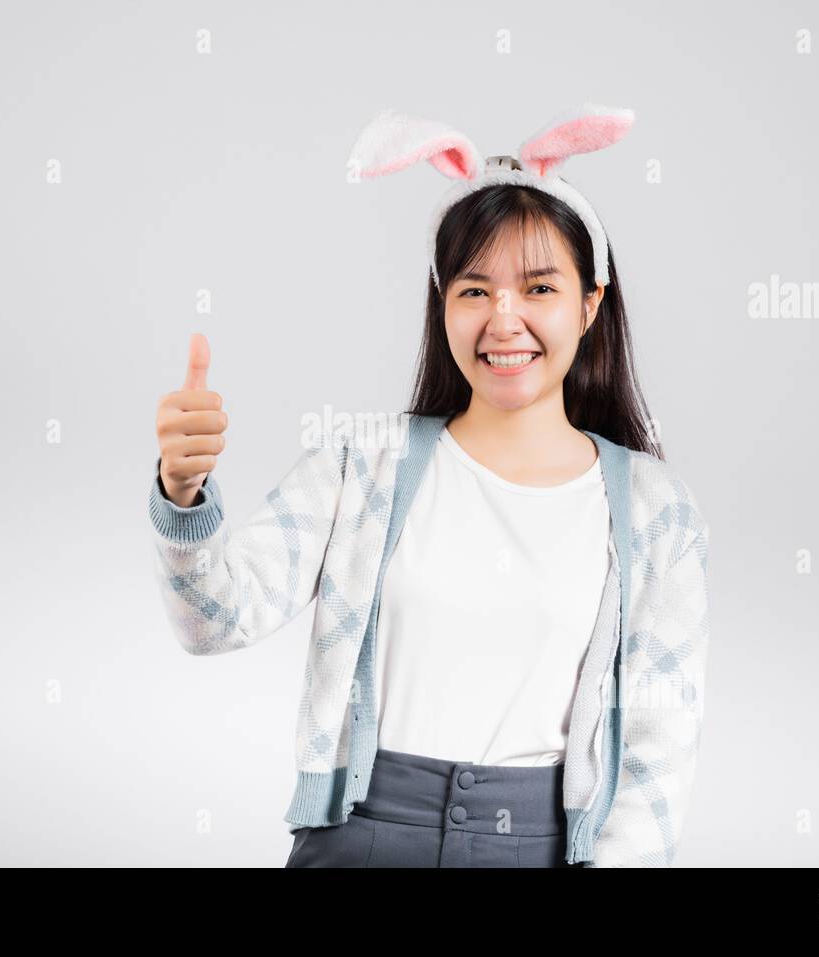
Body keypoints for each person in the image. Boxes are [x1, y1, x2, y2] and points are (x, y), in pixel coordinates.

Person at [148, 106, 710, 867]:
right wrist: (184, 496)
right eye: (475, 290)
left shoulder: (655, 511)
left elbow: (658, 749)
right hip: (361, 836)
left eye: (538, 288)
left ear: (590, 302)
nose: (503, 319)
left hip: (539, 848)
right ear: (443, 303)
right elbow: (212, 620)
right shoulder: (363, 463)